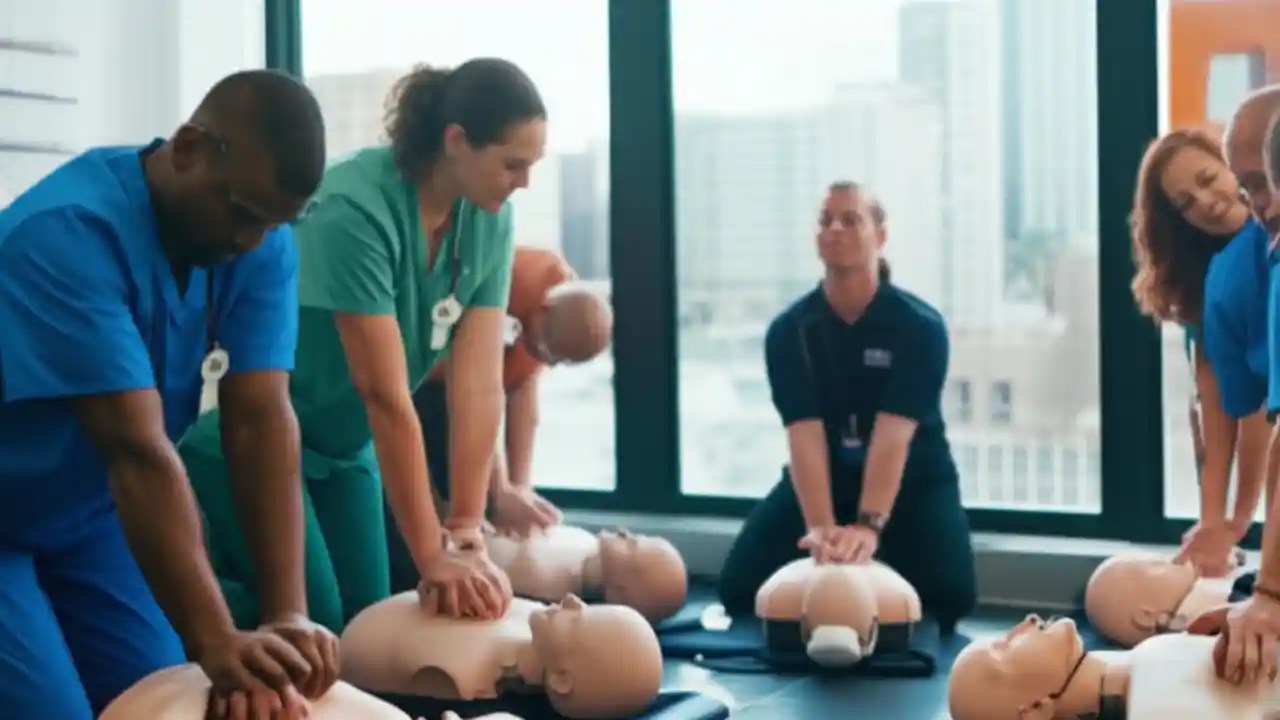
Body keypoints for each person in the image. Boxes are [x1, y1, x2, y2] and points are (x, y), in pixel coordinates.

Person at [0, 70, 338, 719]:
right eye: (242, 214)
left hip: (86, 514)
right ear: (188, 148)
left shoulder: (261, 240)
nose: (249, 241)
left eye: (273, 224)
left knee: (167, 702)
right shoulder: (67, 235)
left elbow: (260, 418)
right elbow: (137, 451)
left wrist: (285, 615)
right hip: (23, 505)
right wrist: (215, 638)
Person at [179, 58, 545, 633]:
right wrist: (432, 558)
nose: (524, 182)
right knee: (316, 624)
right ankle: (169, 596)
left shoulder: (489, 220)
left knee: (368, 624)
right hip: (256, 443)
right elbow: (384, 395)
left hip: (348, 449)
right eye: (512, 164)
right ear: (456, 142)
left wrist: (466, 531)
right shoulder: (354, 208)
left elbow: (478, 385)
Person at [716, 181, 976, 633]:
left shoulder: (920, 327)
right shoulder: (789, 331)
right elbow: (804, 434)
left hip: (914, 480)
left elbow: (893, 438)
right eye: (825, 220)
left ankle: (877, 558)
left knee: (950, 598)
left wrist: (868, 526)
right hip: (825, 479)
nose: (835, 229)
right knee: (738, 590)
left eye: (850, 219)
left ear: (881, 235)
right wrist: (820, 530)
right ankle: (854, 565)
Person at [388, 248, 611, 591]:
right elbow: (475, 391)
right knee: (429, 493)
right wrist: (499, 488)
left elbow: (523, 399)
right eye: (549, 351)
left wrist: (519, 490)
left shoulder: (553, 315)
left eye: (559, 361)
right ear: (542, 309)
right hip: (420, 379)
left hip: (465, 391)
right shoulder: (507, 278)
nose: (548, 362)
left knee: (487, 496)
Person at [1129, 128, 1267, 580]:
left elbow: (1260, 409)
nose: (1206, 202)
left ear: (1232, 166)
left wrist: (1236, 521)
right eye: (1186, 204)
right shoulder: (1210, 279)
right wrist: (1213, 523)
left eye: (1208, 179)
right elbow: (1214, 406)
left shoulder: (1266, 248)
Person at [1191, 86, 1280, 688]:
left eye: (1265, 182)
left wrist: (1270, 593)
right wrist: (1224, 526)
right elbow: (1237, 417)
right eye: (1249, 188)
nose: (1259, 205)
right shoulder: (1235, 279)